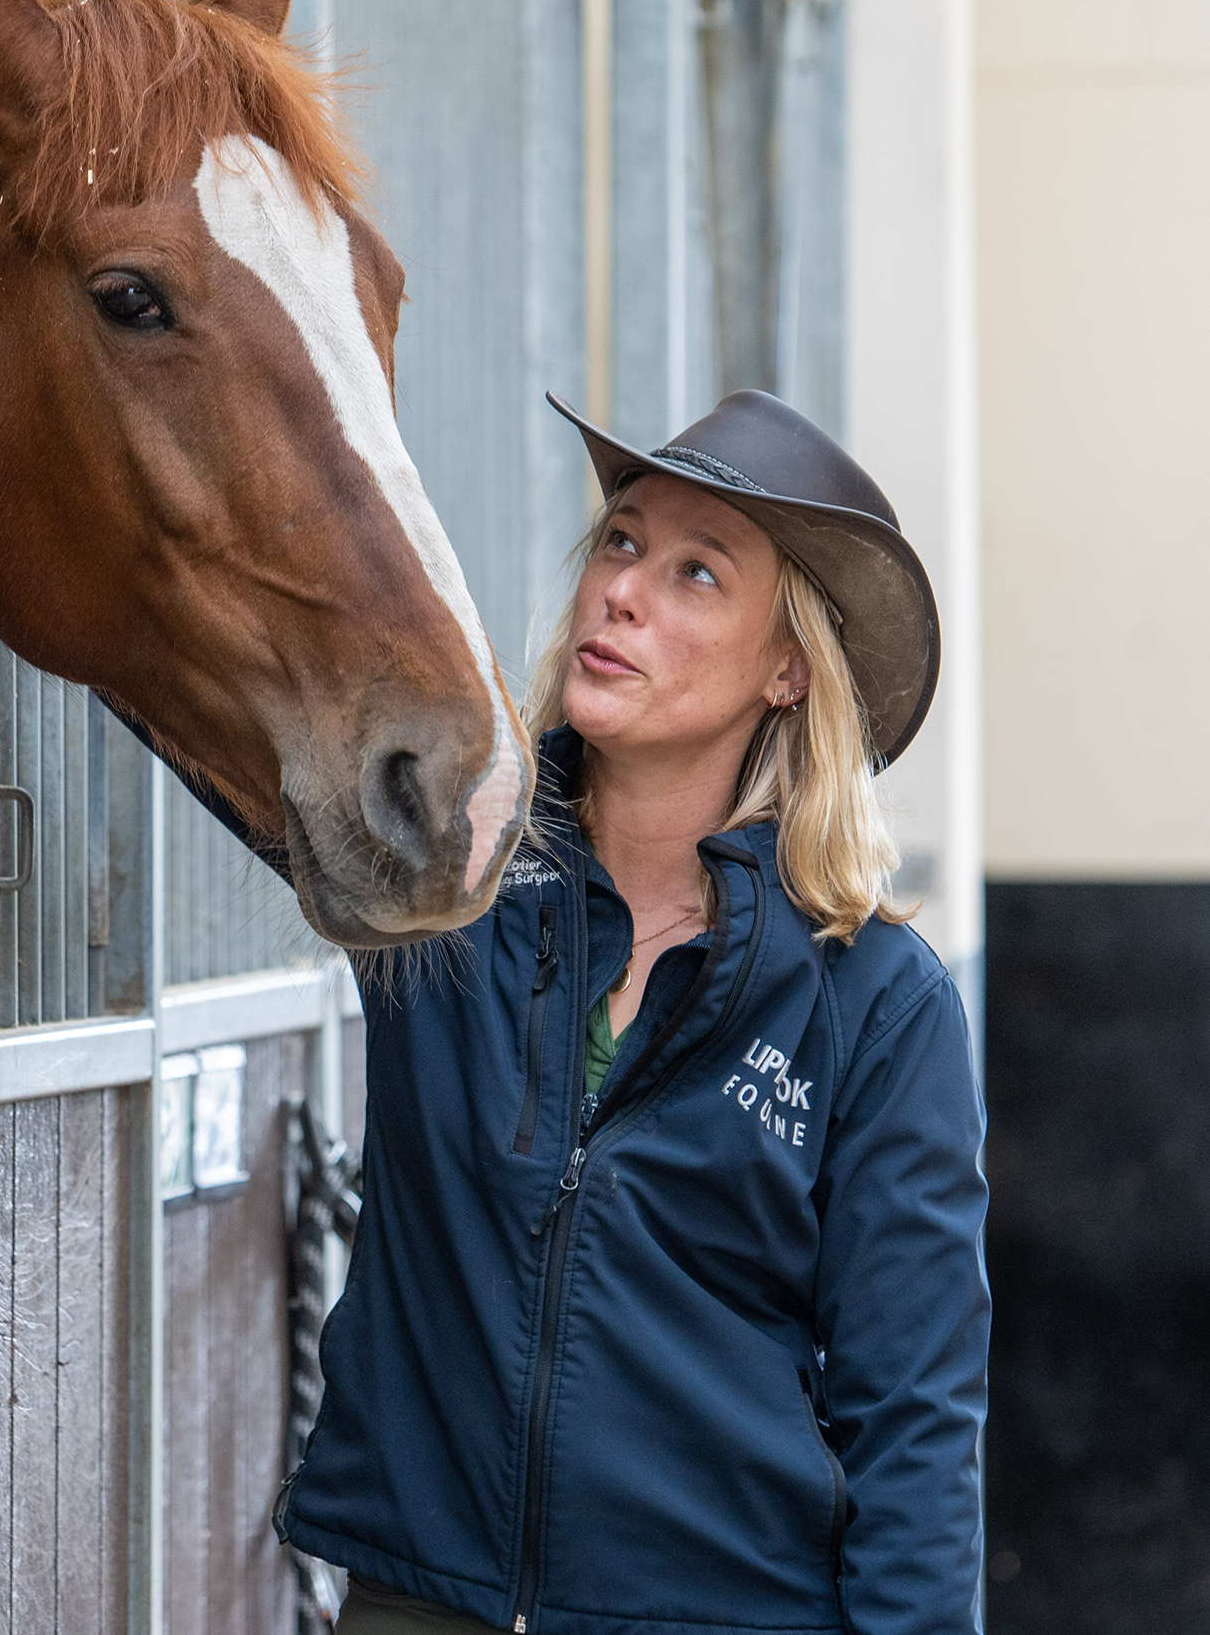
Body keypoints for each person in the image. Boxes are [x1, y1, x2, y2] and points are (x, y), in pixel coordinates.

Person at [180, 390, 989, 1635]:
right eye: (620, 540)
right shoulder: (452, 879)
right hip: (419, 1602)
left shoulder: (876, 1002)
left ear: (787, 668)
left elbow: (916, 1420)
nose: (622, 592)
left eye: (696, 573)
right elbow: (199, 675)